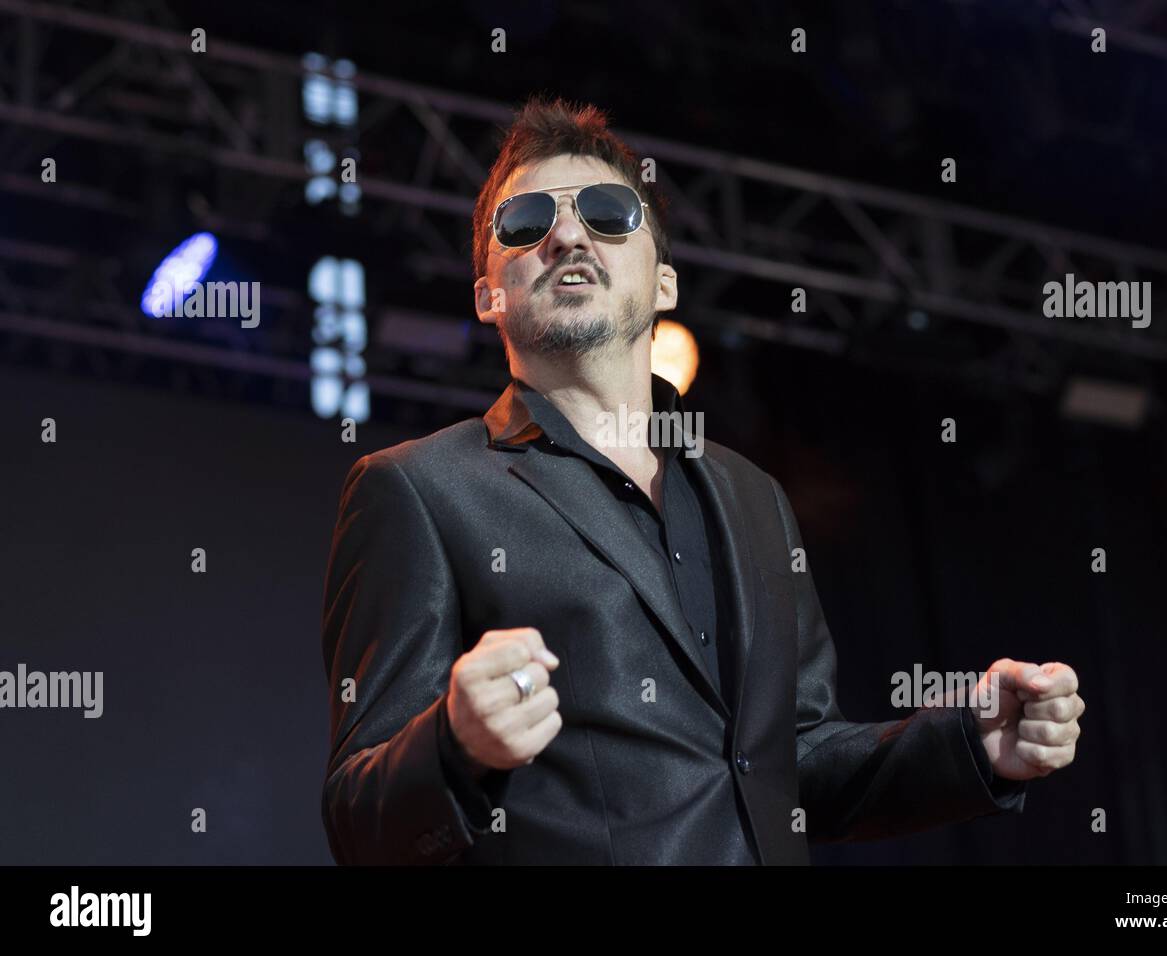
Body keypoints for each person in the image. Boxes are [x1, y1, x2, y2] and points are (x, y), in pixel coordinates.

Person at [320, 95, 1085, 865]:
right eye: (523, 223)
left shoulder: (753, 498)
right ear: (488, 295)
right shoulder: (417, 488)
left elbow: (795, 761)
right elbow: (359, 817)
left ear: (664, 285)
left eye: (609, 212)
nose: (568, 234)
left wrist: (966, 745)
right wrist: (453, 744)